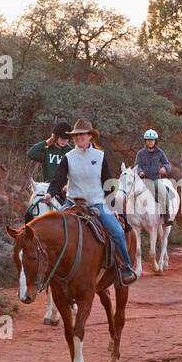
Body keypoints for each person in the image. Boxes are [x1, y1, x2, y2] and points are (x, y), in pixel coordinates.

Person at [46, 118, 138, 285]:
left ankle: (126, 267)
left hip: (97, 202)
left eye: (82, 135)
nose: (78, 138)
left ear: (90, 136)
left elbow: (107, 183)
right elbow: (58, 179)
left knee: (117, 231)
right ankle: (48, 270)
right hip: (73, 203)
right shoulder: (68, 157)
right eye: (75, 136)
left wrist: (111, 205)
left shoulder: (100, 156)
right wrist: (49, 194)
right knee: (53, 229)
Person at [134, 128, 174, 227]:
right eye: (148, 140)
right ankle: (128, 216)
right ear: (145, 141)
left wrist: (165, 168)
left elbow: (167, 164)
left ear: (155, 141)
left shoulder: (160, 152)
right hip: (143, 180)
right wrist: (140, 171)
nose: (150, 142)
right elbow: (137, 165)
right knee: (130, 192)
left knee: (164, 193)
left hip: (155, 179)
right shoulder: (141, 153)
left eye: (152, 140)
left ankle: (166, 216)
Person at [28, 121, 72, 186]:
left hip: (63, 188)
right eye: (62, 138)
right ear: (56, 137)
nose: (64, 141)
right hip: (48, 186)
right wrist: (45, 142)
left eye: (66, 139)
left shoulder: (70, 151)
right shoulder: (47, 150)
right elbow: (31, 153)